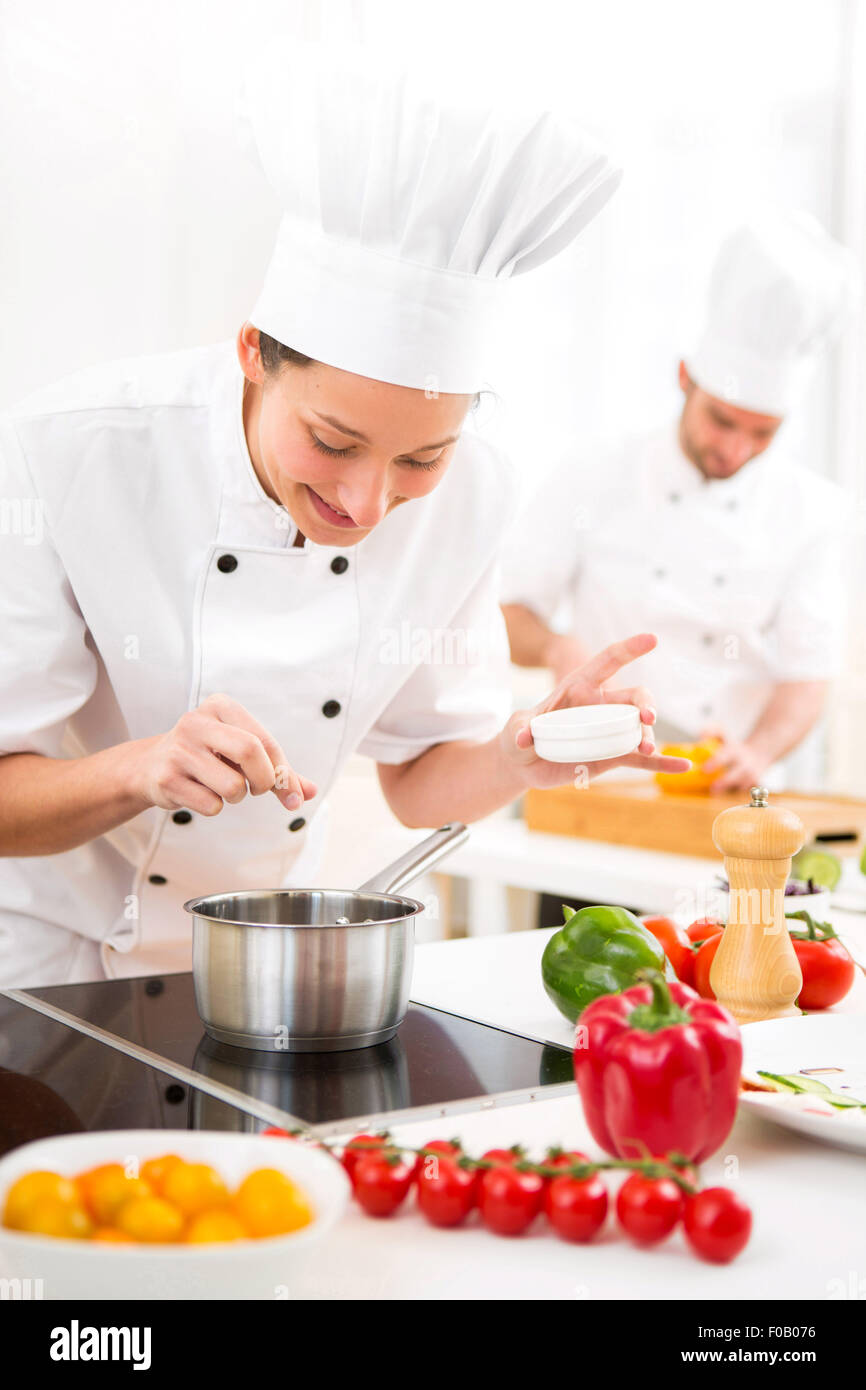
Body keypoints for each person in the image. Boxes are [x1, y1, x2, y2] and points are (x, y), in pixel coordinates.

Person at [0, 41, 687, 988]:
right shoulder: (69, 454)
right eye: (330, 441)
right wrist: (137, 769)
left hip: (271, 967)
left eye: (422, 457)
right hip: (52, 974)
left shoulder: (479, 490)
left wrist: (524, 752)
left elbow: (420, 783)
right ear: (252, 353)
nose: (366, 504)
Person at [502, 212, 859, 791]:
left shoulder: (812, 513)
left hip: (729, 791)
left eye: (762, 432)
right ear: (685, 377)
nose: (737, 448)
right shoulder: (592, 474)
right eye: (722, 420)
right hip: (602, 781)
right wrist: (556, 645)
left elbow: (807, 675)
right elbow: (511, 613)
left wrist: (759, 751)